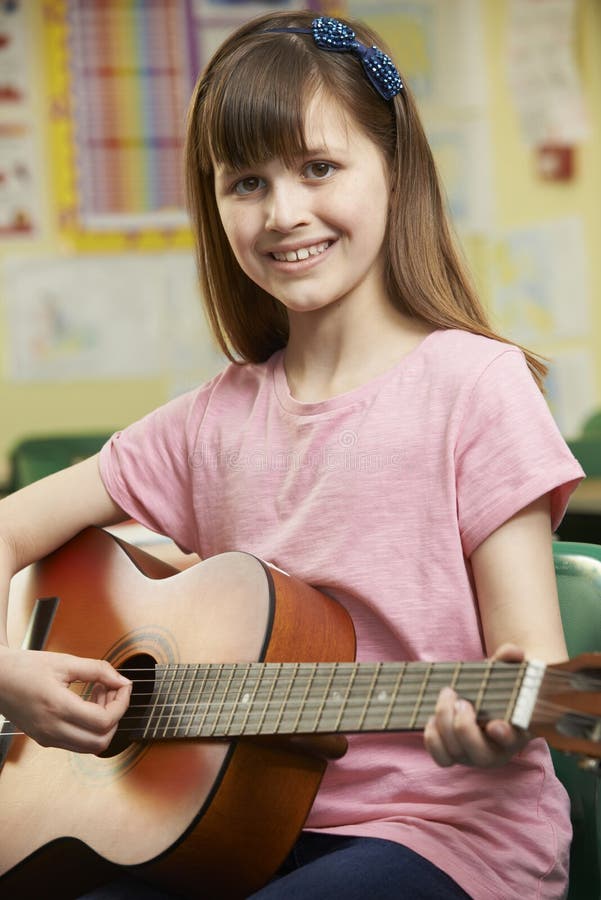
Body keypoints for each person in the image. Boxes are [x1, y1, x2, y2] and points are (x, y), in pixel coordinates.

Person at [0, 11, 585, 900]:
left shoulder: (476, 386)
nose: (284, 214)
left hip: (445, 839)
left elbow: (532, 669)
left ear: (394, 166)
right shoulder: (209, 422)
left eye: (319, 167)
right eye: (246, 182)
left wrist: (500, 724)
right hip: (220, 830)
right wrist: (10, 676)